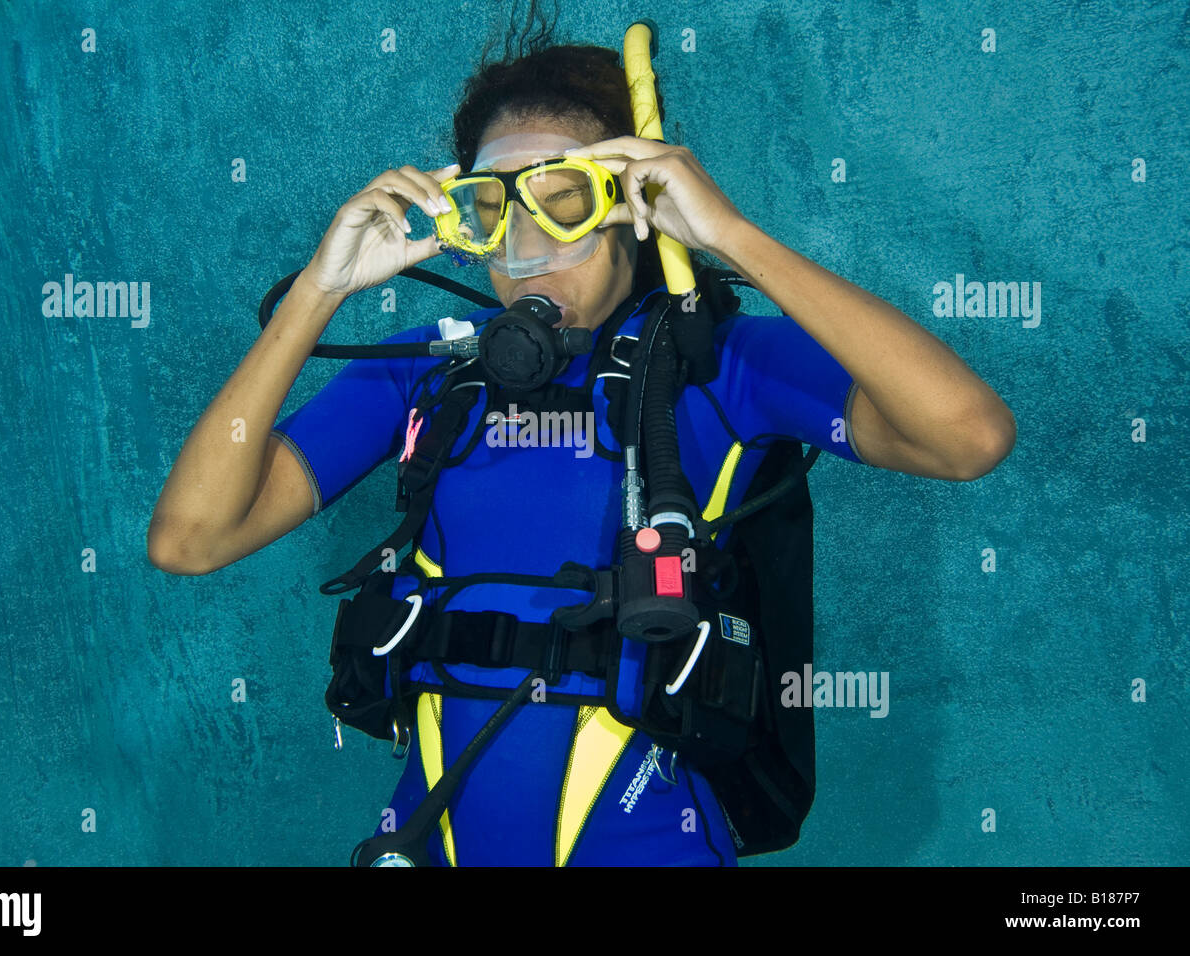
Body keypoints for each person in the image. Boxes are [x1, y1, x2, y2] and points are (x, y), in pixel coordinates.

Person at [147, 28, 1015, 865]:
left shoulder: (718, 365)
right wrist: (317, 290)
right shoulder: (430, 369)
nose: (525, 251)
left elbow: (968, 436)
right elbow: (192, 539)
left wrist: (730, 236)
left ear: (633, 209)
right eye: (489, 210)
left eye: (563, 203)